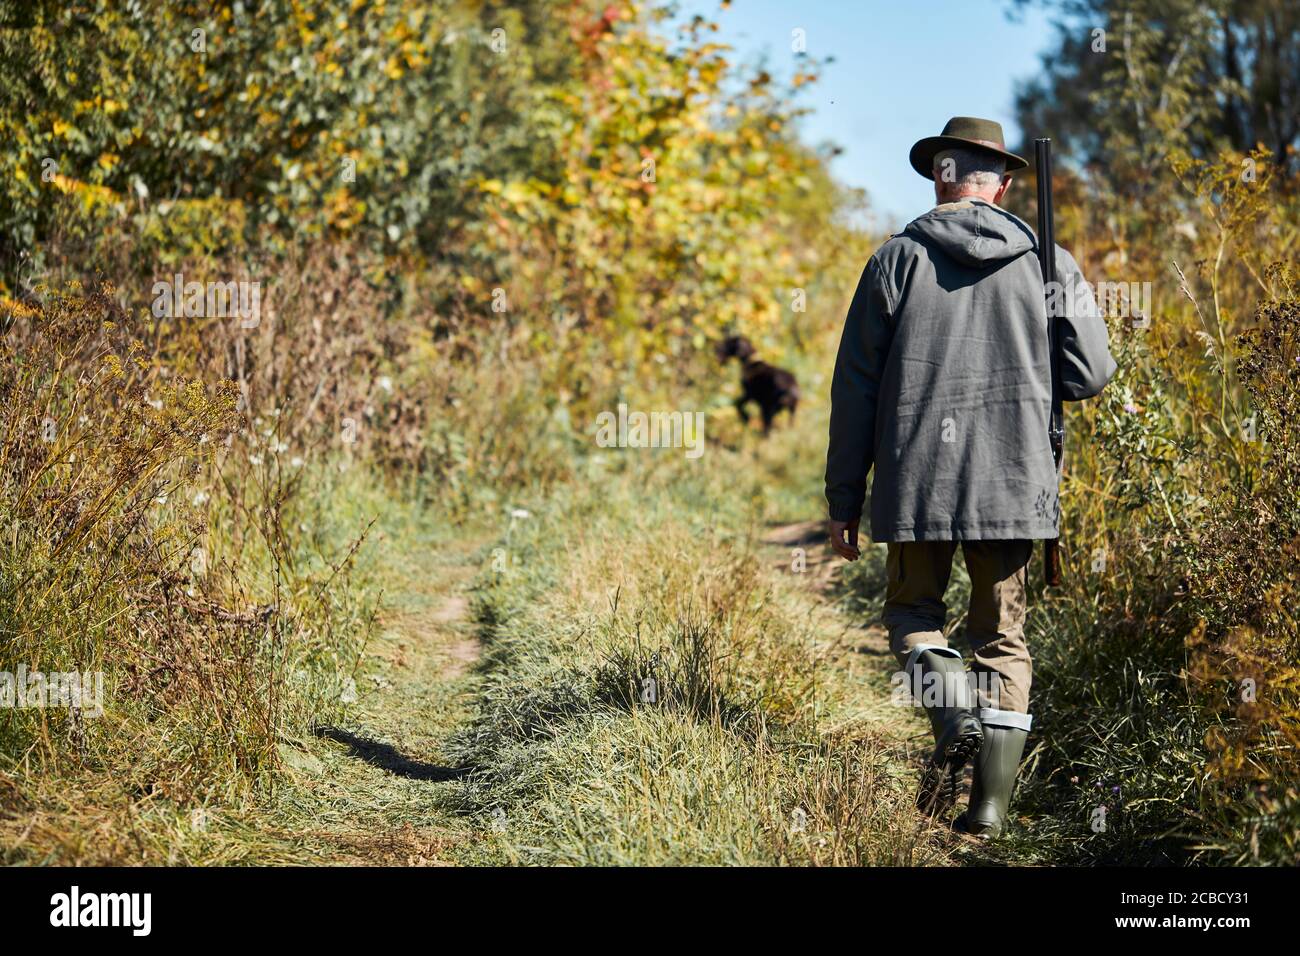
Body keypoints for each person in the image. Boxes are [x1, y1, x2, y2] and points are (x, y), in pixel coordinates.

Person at [824, 116, 1117, 837]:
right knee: (1002, 640)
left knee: (914, 618)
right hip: (1015, 479)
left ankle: (951, 710)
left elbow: (855, 387)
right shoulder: (1051, 261)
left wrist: (843, 497)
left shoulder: (895, 260)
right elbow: (1091, 375)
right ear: (1005, 185)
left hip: (916, 477)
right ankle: (987, 811)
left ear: (939, 176)